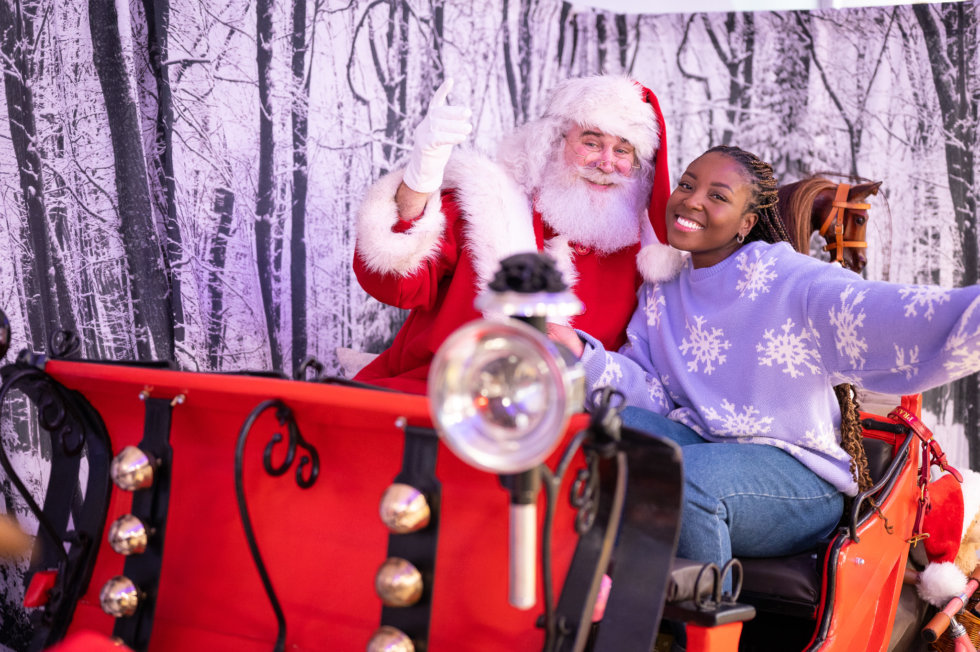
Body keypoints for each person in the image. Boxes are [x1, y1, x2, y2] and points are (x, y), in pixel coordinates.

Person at [549, 144, 980, 580]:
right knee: (593, 437)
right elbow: (650, 391)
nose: (692, 200)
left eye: (718, 196)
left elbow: (897, 316)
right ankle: (590, 604)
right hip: (701, 443)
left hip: (796, 477)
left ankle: (699, 640)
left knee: (685, 480)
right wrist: (579, 354)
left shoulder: (793, 282)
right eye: (687, 184)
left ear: (747, 222)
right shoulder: (662, 289)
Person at [352, 75, 683, 394]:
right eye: (592, 142)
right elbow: (395, 283)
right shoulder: (485, 202)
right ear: (553, 143)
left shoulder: (640, 250)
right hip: (442, 395)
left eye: (623, 151)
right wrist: (419, 181)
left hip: (562, 420)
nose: (607, 163)